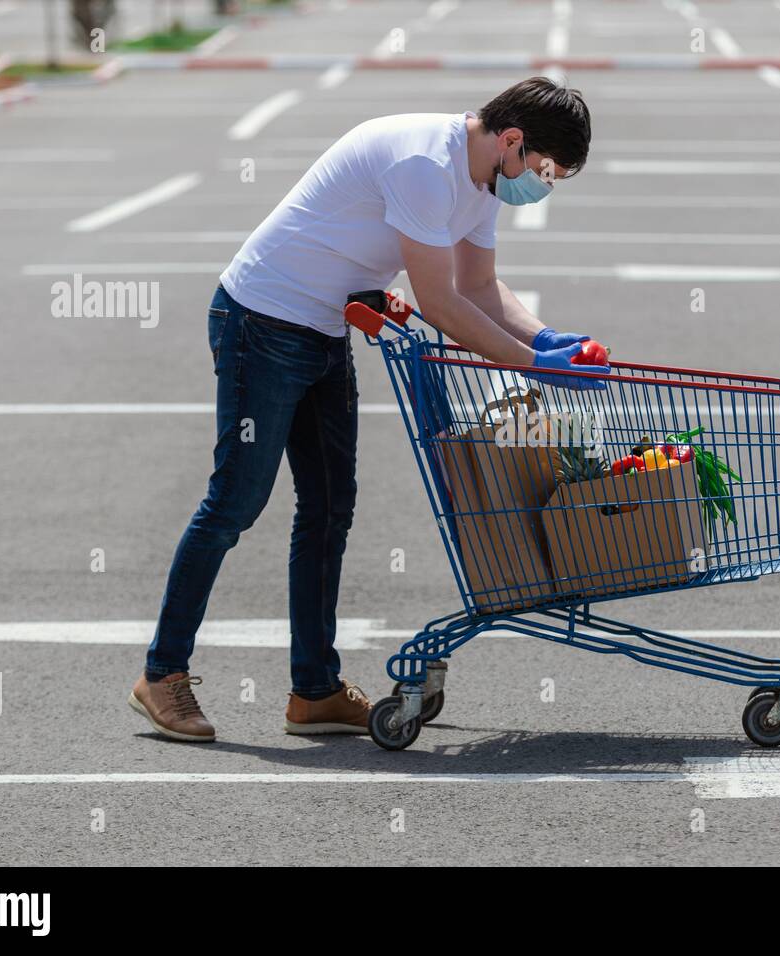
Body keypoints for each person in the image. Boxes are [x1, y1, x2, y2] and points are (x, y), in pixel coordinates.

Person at [128, 77, 605, 742]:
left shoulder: (483, 179)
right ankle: (162, 674)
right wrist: (529, 365)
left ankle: (314, 691)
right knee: (236, 500)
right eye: (545, 172)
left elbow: (481, 288)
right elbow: (441, 303)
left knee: (329, 507)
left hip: (323, 328)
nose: (541, 187)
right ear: (514, 141)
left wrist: (551, 340)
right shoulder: (425, 166)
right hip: (260, 323)